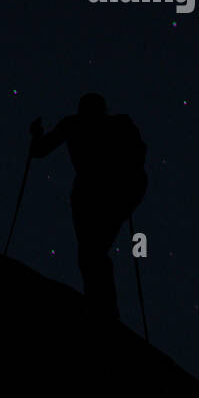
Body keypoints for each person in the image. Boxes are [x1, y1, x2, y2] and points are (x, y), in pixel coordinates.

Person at [29, 93, 147, 321]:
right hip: (100, 192)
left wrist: (36, 136)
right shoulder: (112, 124)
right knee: (91, 252)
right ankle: (103, 308)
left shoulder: (84, 124)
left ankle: (102, 309)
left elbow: (40, 150)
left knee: (91, 252)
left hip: (105, 192)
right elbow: (40, 151)